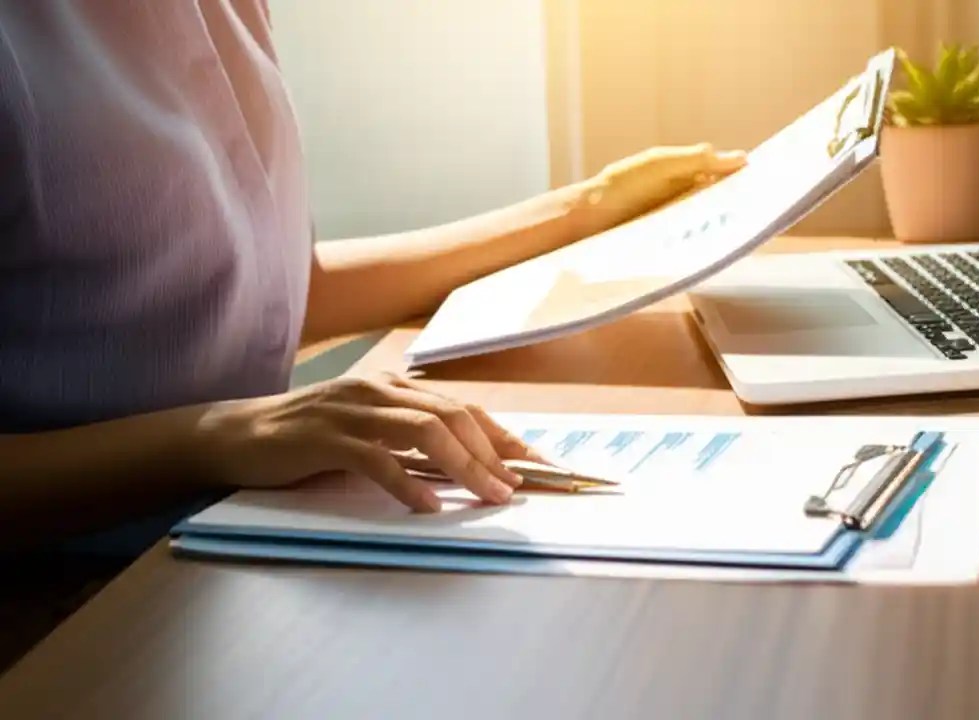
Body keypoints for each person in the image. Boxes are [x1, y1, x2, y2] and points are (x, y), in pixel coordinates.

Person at [0, 3, 745, 555]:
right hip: (65, 601)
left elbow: (265, 293)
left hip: (225, 539)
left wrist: (584, 210)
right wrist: (219, 436)